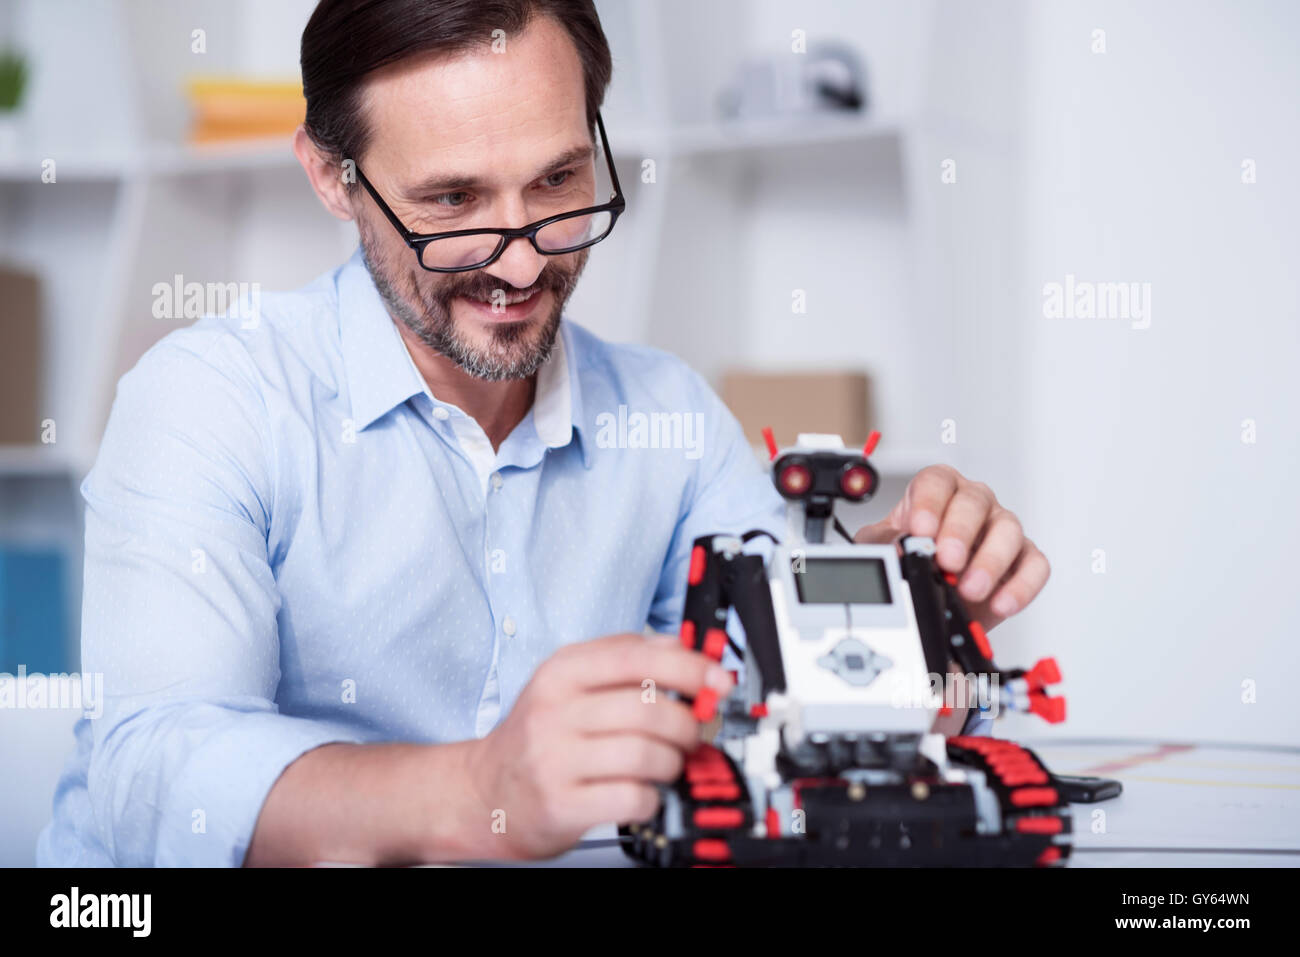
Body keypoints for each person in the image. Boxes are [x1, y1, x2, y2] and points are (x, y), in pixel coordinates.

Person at [38, 0, 1050, 867]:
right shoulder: (211, 398)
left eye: (560, 183)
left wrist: (908, 630)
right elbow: (158, 770)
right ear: (330, 176)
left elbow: (775, 719)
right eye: (453, 201)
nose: (522, 264)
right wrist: (478, 791)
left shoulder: (670, 417)